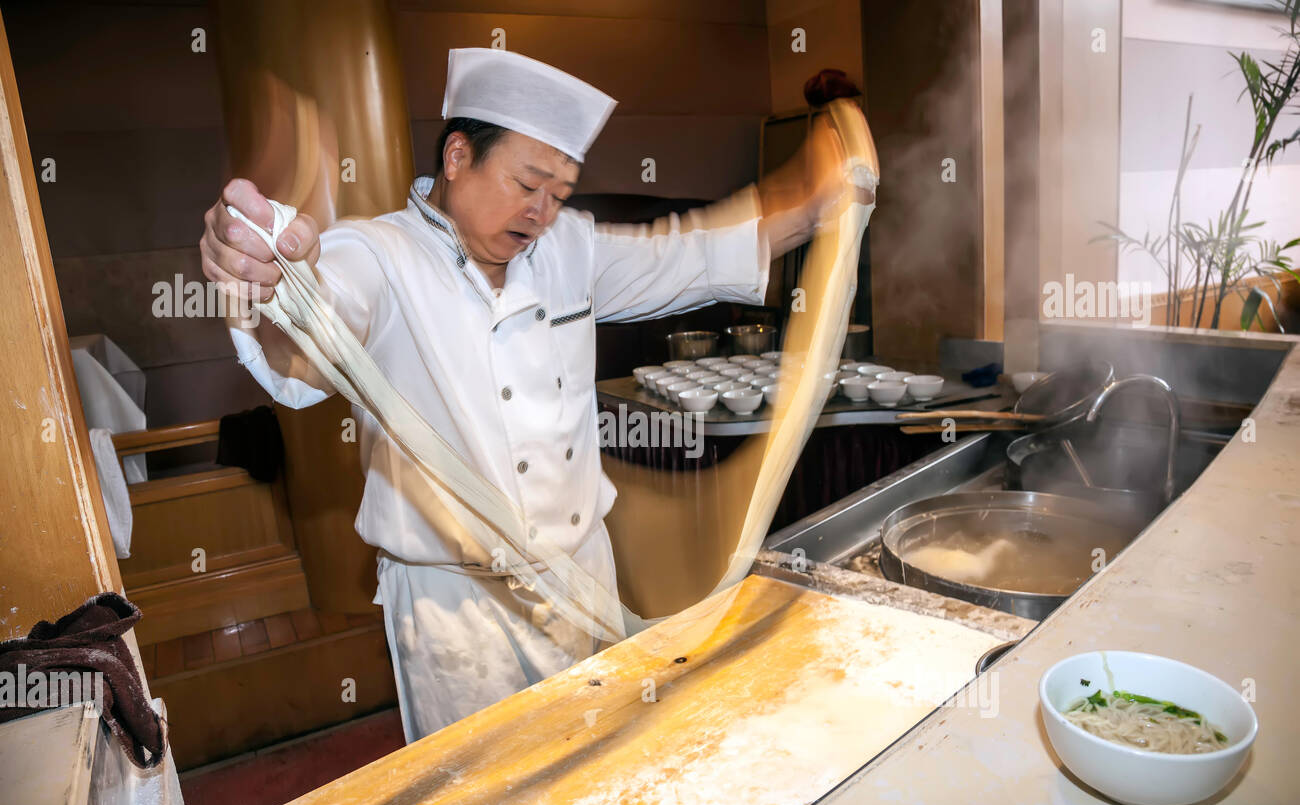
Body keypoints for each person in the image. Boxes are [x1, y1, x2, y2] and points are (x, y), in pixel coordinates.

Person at [199, 48, 863, 743]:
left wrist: (814, 206)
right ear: (458, 156)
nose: (542, 212)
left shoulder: (567, 247)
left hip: (582, 574)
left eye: (560, 193)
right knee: (487, 787)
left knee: (601, 758)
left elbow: (687, 256)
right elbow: (312, 328)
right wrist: (267, 278)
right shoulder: (377, 255)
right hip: (459, 609)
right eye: (527, 183)